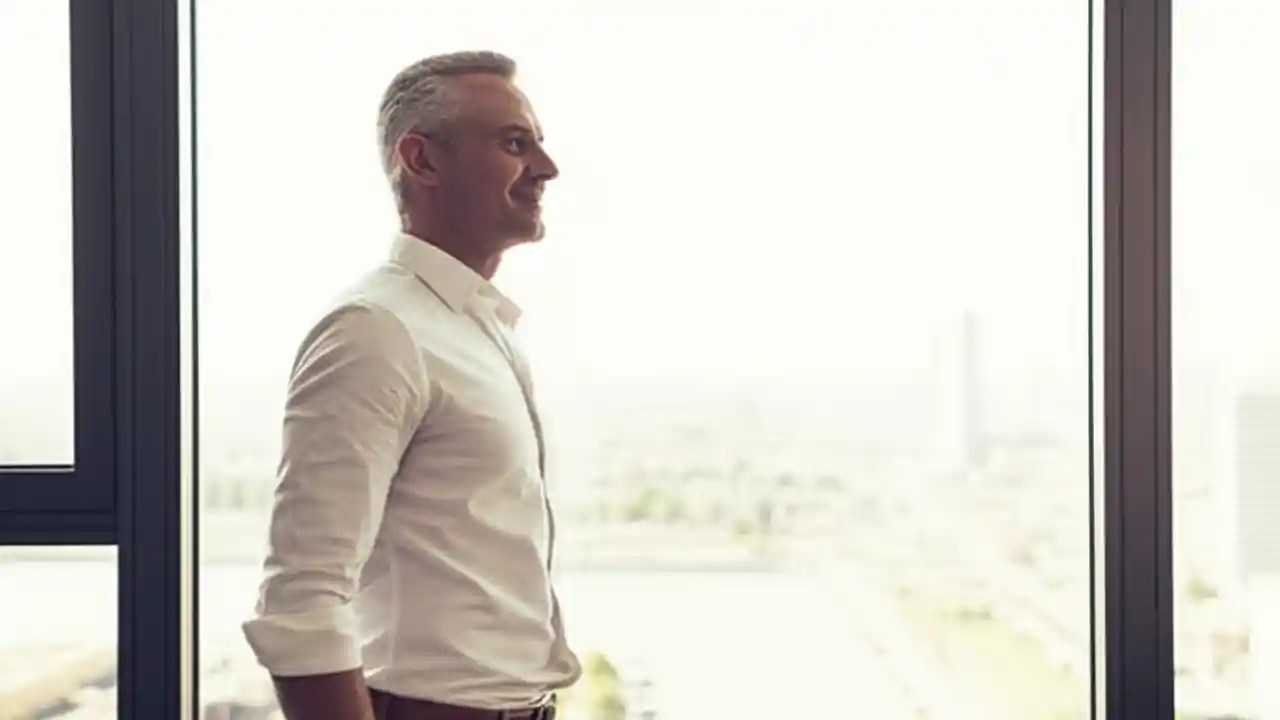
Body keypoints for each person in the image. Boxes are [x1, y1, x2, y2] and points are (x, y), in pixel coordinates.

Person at [242, 51, 579, 720]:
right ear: (422, 161)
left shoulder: (481, 331)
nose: (546, 167)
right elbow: (301, 600)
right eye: (515, 143)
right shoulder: (375, 331)